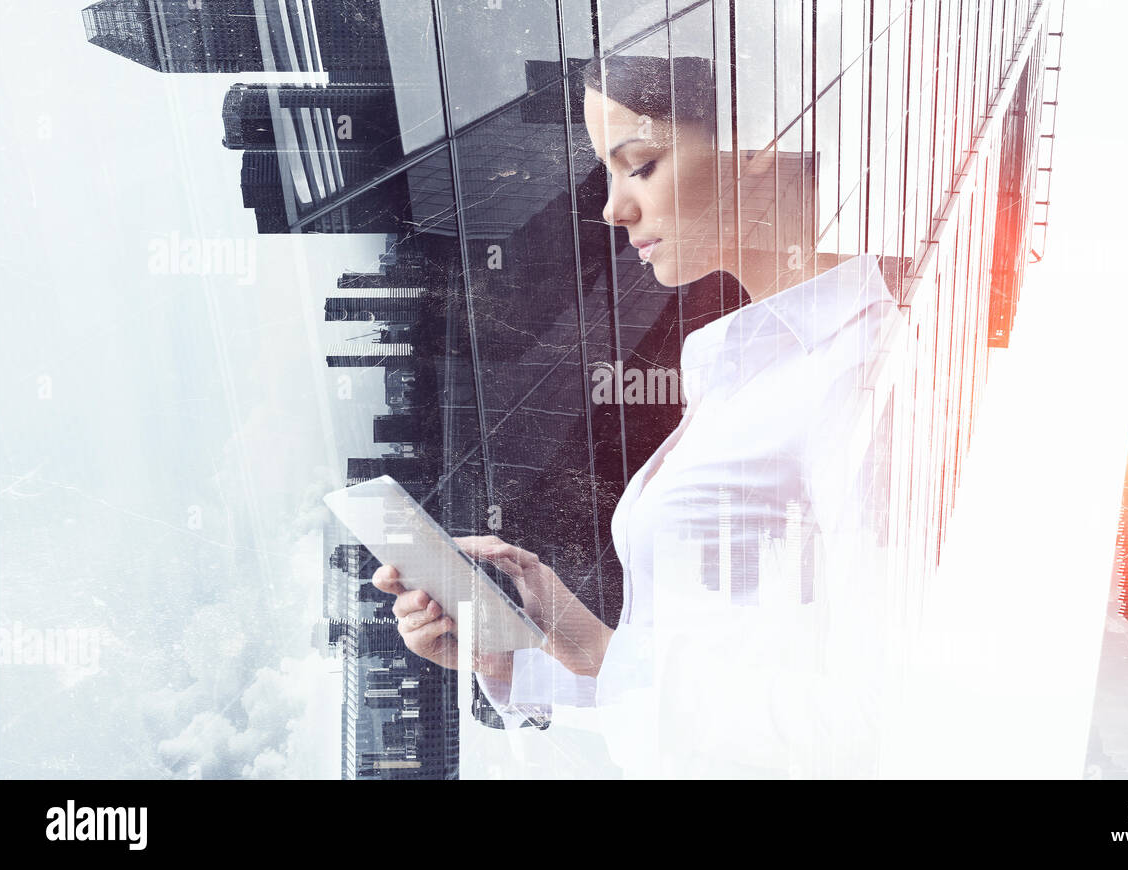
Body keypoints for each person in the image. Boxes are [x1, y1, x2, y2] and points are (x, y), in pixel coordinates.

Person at [373, 53, 899, 777]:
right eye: (610, 172)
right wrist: (520, 655)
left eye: (641, 164)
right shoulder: (741, 363)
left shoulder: (858, 369)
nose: (614, 207)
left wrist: (611, 669)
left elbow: (888, 713)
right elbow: (699, 661)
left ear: (760, 147)